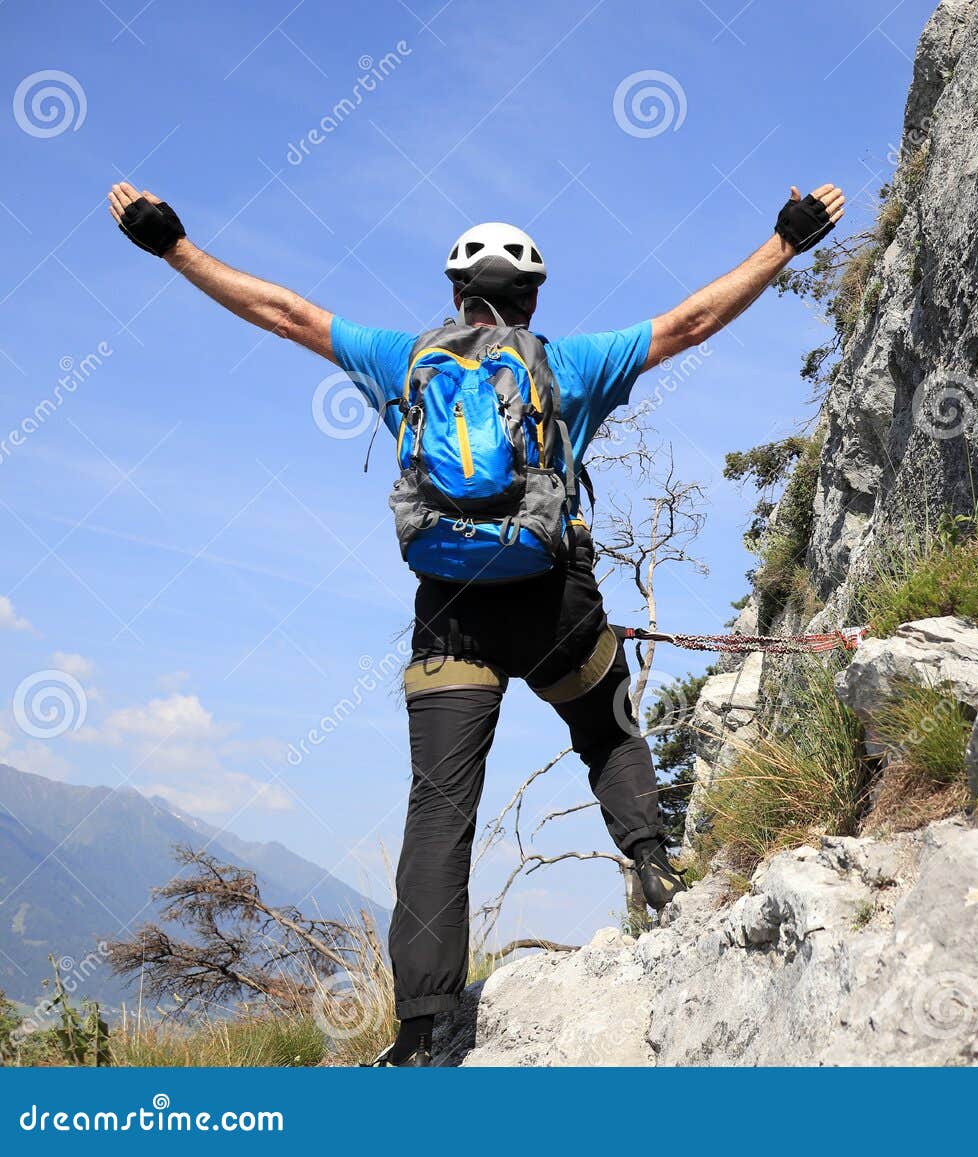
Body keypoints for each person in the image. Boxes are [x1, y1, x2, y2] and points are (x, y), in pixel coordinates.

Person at [107, 178, 845, 1065]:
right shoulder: (564, 366)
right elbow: (689, 323)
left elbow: (283, 312)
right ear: (532, 300)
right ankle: (653, 859)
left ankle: (421, 1027)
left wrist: (174, 245)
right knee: (604, 721)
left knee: (440, 806)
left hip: (449, 615)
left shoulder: (400, 358)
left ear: (455, 297)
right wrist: (785, 240)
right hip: (554, 602)